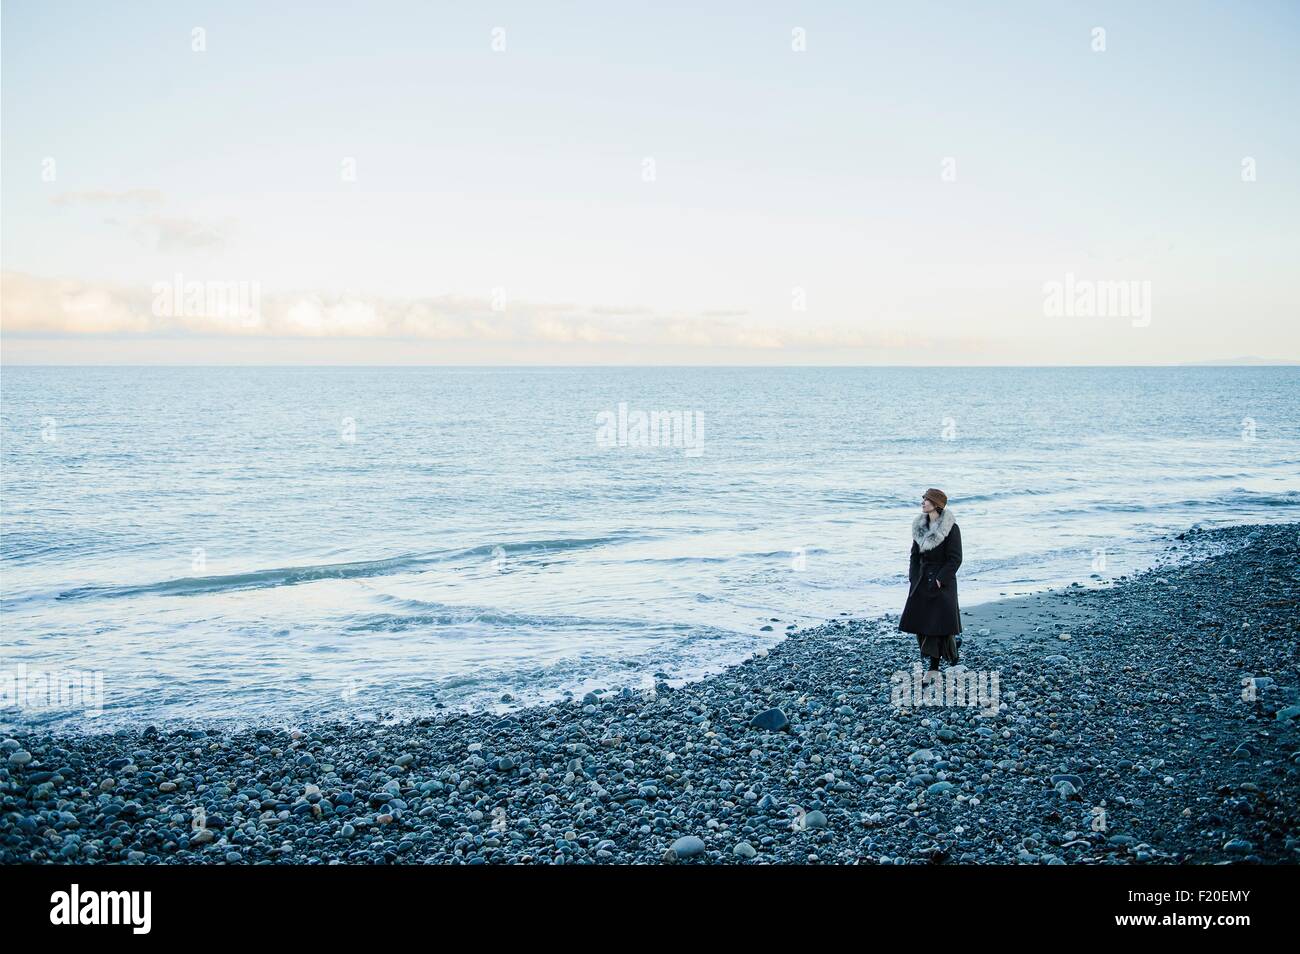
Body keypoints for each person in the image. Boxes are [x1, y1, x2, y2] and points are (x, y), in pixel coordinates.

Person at [899, 488, 962, 682]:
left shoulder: (951, 528)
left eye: (927, 499)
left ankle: (933, 668)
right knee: (920, 623)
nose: (923, 502)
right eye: (923, 499)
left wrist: (940, 579)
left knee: (935, 626)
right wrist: (913, 576)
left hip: (941, 583)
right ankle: (952, 652)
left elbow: (955, 559)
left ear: (936, 504)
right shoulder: (920, 526)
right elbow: (914, 556)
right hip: (920, 580)